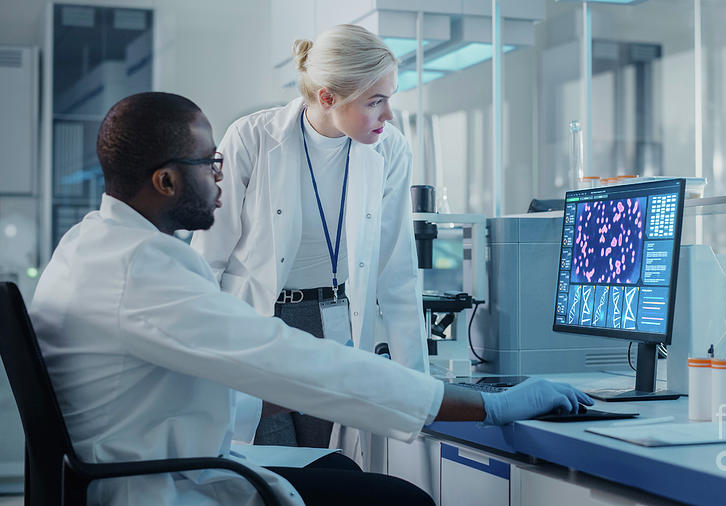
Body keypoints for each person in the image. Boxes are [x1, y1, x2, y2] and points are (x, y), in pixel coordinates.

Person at [29, 91, 593, 506]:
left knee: (343, 472)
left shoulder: (90, 246)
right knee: (401, 502)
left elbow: (174, 387)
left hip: (133, 466)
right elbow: (288, 358)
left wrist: (295, 391)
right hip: (154, 486)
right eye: (210, 164)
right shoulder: (143, 266)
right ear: (167, 182)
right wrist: (490, 406)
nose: (222, 180)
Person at [190, 24, 429, 454]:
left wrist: (418, 394)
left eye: (389, 99)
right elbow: (209, 258)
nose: (388, 115)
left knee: (324, 463)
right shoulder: (252, 137)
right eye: (375, 102)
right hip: (260, 324)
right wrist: (201, 369)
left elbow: (397, 275)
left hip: (335, 324)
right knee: (266, 464)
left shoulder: (389, 149)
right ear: (327, 98)